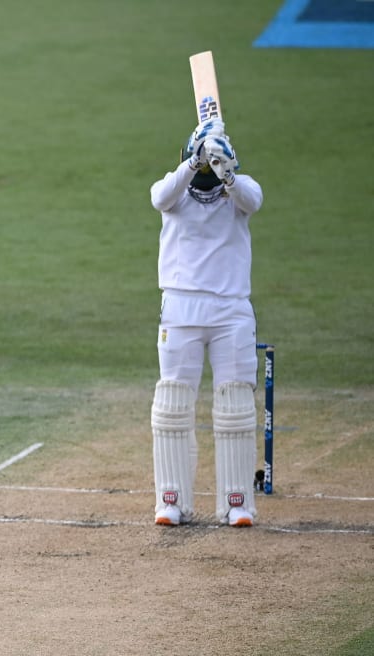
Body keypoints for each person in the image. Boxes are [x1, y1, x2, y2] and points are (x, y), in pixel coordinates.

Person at [149, 118, 264, 528]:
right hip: (181, 309)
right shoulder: (175, 192)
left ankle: (237, 504)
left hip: (230, 310)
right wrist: (192, 160)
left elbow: (253, 200)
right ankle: (171, 501)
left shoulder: (238, 191)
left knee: (234, 404)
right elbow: (159, 197)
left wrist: (227, 173)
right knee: (173, 404)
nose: (205, 176)